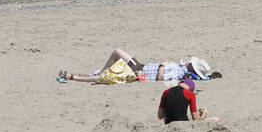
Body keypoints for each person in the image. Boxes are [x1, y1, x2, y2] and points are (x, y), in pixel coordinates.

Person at [59, 51, 214, 84]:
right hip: (141, 67)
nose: (187, 62)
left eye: (190, 63)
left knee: (104, 78)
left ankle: (75, 77)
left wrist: (162, 64)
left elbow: (160, 78)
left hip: (140, 72)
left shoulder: (181, 73)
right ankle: (101, 70)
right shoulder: (181, 68)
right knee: (117, 53)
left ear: (192, 68)